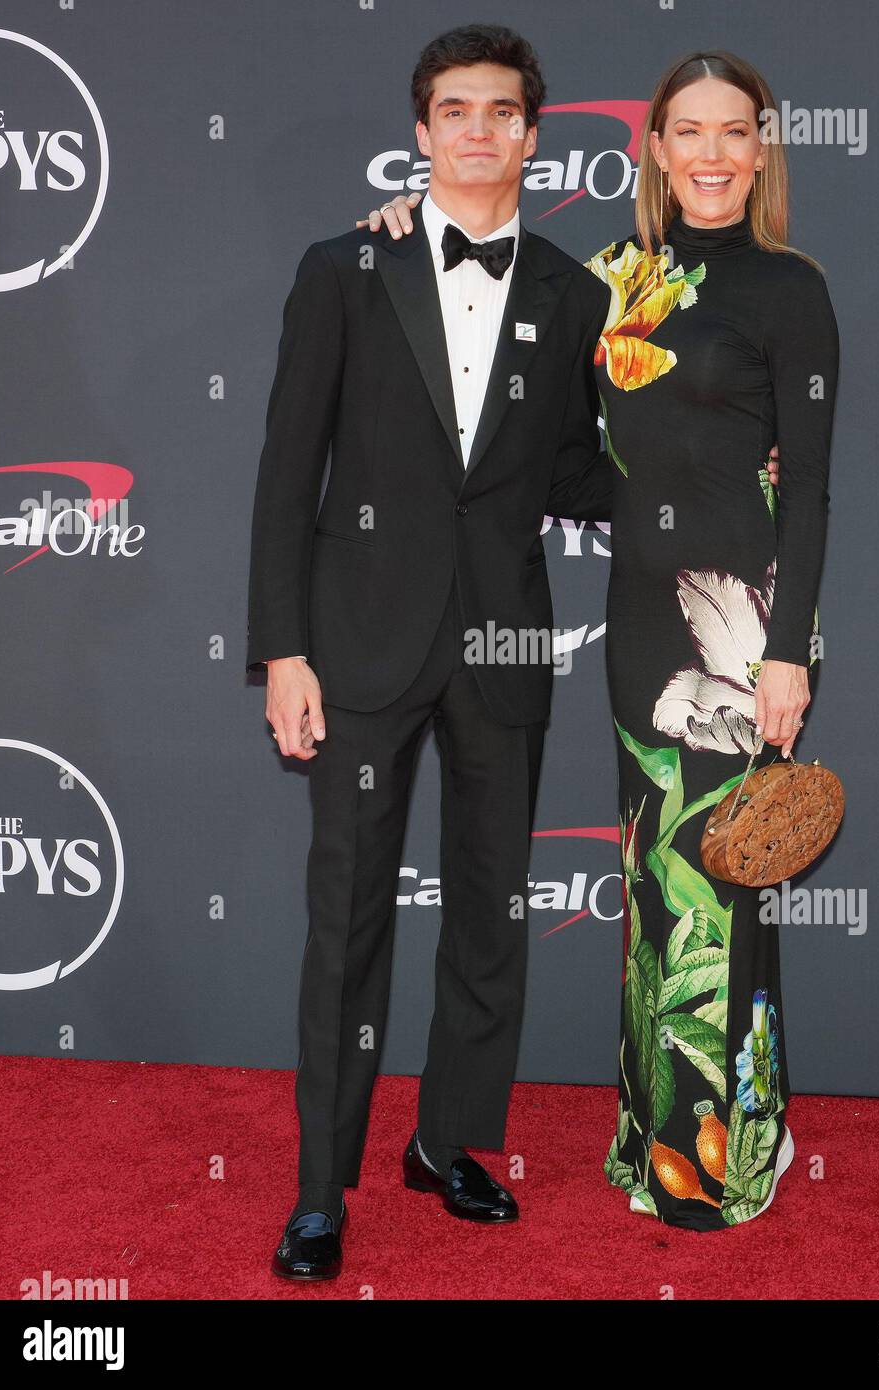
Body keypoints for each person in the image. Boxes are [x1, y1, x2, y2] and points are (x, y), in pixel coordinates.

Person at [362, 48, 838, 1231]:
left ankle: (727, 1156)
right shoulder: (611, 283)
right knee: (653, 887)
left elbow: (814, 489)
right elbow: (549, 440)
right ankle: (650, 1141)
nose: (712, 155)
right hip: (637, 624)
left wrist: (787, 650)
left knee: (723, 886)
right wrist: (400, 227)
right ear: (656, 150)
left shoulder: (791, 289)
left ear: (761, 150)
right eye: (689, 132)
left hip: (740, 629)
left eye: (735, 132)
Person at [246, 23, 618, 1280]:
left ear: (529, 133)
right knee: (346, 919)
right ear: (419, 132)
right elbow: (286, 470)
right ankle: (317, 1188)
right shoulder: (344, 267)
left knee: (489, 914)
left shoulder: (577, 293)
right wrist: (281, 650)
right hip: (356, 642)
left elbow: (573, 470)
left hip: (505, 641)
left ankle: (452, 1139)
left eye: (498, 110)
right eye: (451, 109)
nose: (474, 129)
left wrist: (714, 470)